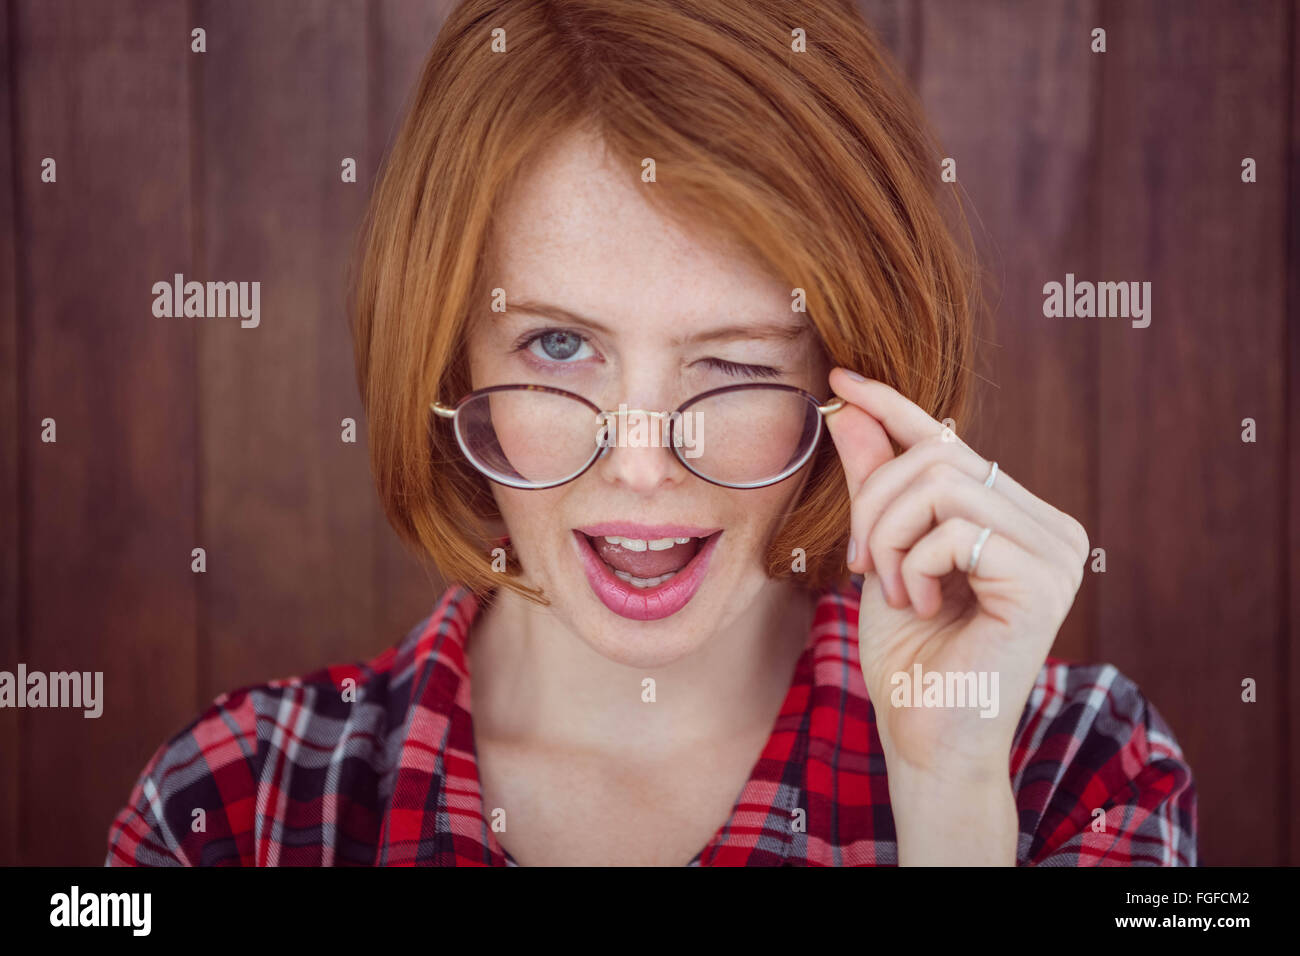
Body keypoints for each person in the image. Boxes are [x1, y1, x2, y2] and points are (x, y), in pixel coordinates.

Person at [106, 0, 1195, 866]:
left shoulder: (1077, 778)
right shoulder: (234, 806)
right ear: (453, 358)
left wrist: (951, 799)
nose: (640, 460)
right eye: (559, 347)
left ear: (848, 378)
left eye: (732, 363)